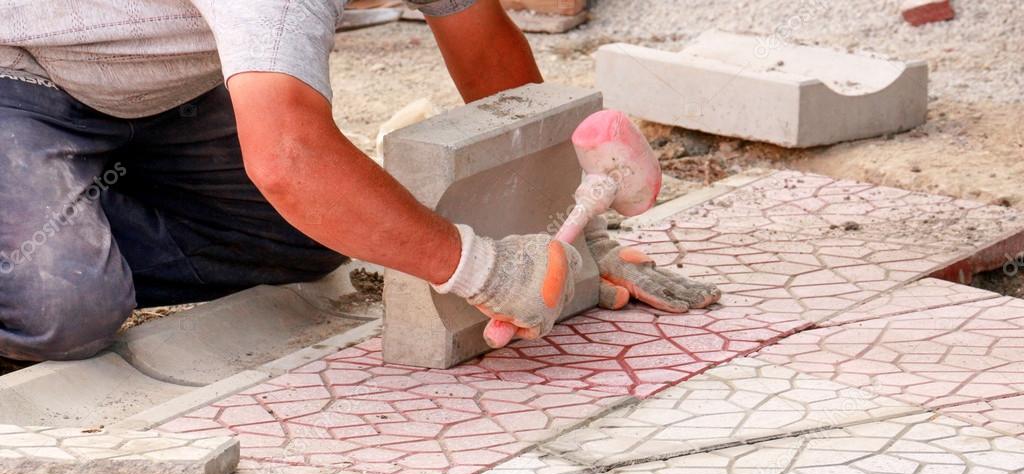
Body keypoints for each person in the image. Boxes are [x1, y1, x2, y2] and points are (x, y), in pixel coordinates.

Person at [0, 0, 720, 363]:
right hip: (18, 72)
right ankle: (47, 246)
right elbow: (288, 159)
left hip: (150, 89)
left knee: (307, 234)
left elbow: (488, 58)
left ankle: (65, 211)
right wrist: (486, 269)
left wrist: (579, 226)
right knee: (66, 304)